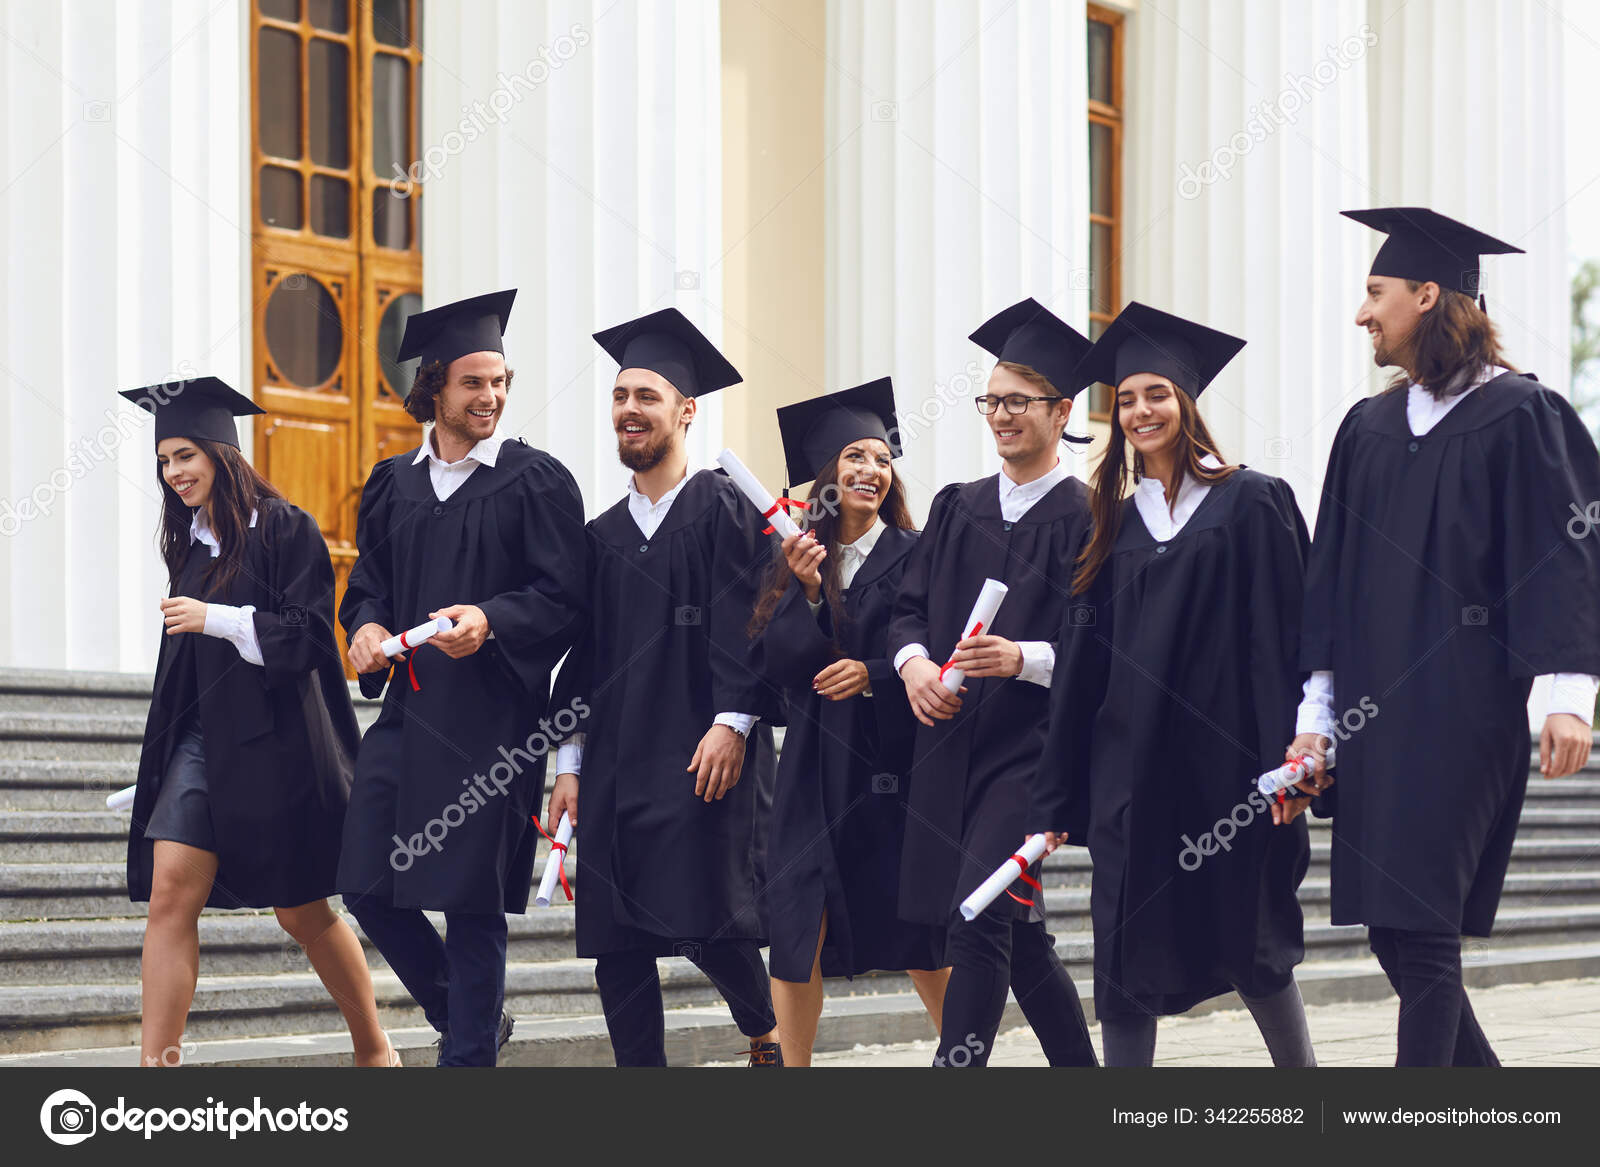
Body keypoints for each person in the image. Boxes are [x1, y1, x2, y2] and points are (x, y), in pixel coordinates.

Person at [1287, 207, 1600, 1065]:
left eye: (1375, 294)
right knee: (1398, 936)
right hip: (1373, 722)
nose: (1362, 314)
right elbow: (1332, 578)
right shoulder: (1368, 428)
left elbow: (1566, 551)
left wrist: (1570, 693)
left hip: (1464, 716)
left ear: (1428, 295)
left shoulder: (1523, 413)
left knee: (1423, 932)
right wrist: (1317, 714)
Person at [1031, 302, 1316, 1067]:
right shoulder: (1113, 523)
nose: (1139, 411)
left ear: (1186, 402)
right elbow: (1081, 668)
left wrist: (1290, 761)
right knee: (1124, 951)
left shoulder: (1253, 502)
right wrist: (1059, 797)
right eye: (1125, 399)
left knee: (1251, 939)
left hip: (1230, 773)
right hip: (1133, 777)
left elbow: (1288, 641)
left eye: (1155, 393)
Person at [337, 290, 590, 1067]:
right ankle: (465, 1014)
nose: (492, 397)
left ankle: (467, 1062)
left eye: (501, 382)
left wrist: (491, 620)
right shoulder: (391, 484)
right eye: (475, 383)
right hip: (411, 714)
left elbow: (566, 601)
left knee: (473, 901)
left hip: (495, 723)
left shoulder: (536, 481)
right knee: (365, 882)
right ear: (436, 388)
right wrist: (366, 630)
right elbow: (367, 586)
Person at [120, 376, 389, 1068]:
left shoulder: (287, 528)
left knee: (300, 909)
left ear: (219, 450)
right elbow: (179, 668)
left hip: (278, 746)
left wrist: (217, 619)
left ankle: (374, 1046)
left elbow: (304, 638)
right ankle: (157, 1068)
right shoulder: (190, 545)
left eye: (185, 455)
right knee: (169, 891)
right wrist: (160, 754)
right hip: (203, 742)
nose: (175, 472)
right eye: (164, 461)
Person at [548, 307, 783, 1067]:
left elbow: (755, 621)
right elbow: (580, 658)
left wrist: (735, 719)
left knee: (710, 919)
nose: (628, 411)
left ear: (685, 409)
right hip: (618, 756)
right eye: (620, 397)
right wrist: (570, 765)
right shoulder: (600, 535)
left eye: (646, 397)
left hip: (702, 747)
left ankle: (765, 1029)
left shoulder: (724, 508)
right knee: (617, 937)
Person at [888, 298, 1098, 1067]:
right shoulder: (956, 507)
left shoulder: (1088, 518)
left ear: (1063, 410)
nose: (1002, 415)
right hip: (947, 744)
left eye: (1020, 401)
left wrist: (1024, 657)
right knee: (1016, 928)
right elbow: (907, 612)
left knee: (977, 917)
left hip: (1031, 753)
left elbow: (1100, 643)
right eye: (994, 399)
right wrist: (914, 669)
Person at [748, 378, 949, 1065]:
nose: (870, 469)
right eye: (854, 456)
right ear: (827, 473)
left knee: (918, 930)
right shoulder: (793, 555)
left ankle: (963, 1056)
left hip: (893, 762)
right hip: (811, 764)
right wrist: (804, 592)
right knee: (796, 923)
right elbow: (777, 667)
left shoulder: (919, 553)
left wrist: (874, 673)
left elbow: (937, 651)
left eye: (881, 458)